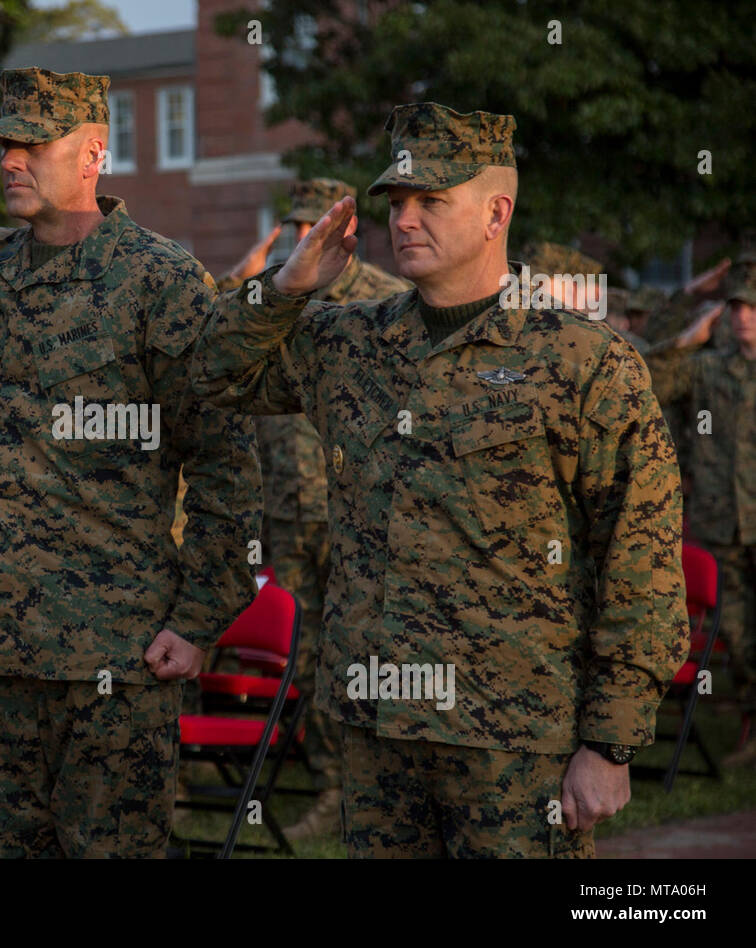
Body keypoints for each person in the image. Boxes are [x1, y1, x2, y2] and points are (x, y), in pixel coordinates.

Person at [190, 101, 690, 857]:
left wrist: (612, 742)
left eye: (432, 200)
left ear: (496, 212)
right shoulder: (347, 341)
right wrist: (288, 289)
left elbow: (641, 559)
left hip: (514, 737)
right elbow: (213, 373)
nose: (406, 219)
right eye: (397, 201)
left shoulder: (582, 360)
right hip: (377, 728)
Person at [0, 66, 261, 857]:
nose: (11, 162)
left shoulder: (159, 277)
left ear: (93, 152)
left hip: (116, 648)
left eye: (34, 145)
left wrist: (200, 616)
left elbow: (222, 457)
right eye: (3, 145)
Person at [219, 177, 411, 840]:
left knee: (368, 652)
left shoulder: (389, 301)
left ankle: (380, 789)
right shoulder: (277, 296)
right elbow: (212, 346)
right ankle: (330, 785)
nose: (306, 237)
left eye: (317, 225)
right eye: (297, 225)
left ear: (347, 229)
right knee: (306, 658)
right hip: (290, 513)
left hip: (361, 517)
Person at [645, 260, 756, 767]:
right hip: (721, 523)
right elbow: (647, 374)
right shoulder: (710, 368)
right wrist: (687, 318)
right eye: (736, 307)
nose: (744, 317)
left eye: (753, 307)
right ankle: (751, 725)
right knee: (735, 630)